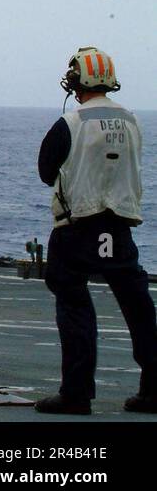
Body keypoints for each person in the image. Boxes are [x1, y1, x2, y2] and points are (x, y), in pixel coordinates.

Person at [34, 46, 157, 415]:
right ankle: (153, 389)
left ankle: (76, 393)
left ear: (76, 80)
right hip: (119, 229)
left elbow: (46, 172)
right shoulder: (133, 121)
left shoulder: (70, 124)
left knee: (74, 306)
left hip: (78, 228)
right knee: (138, 309)